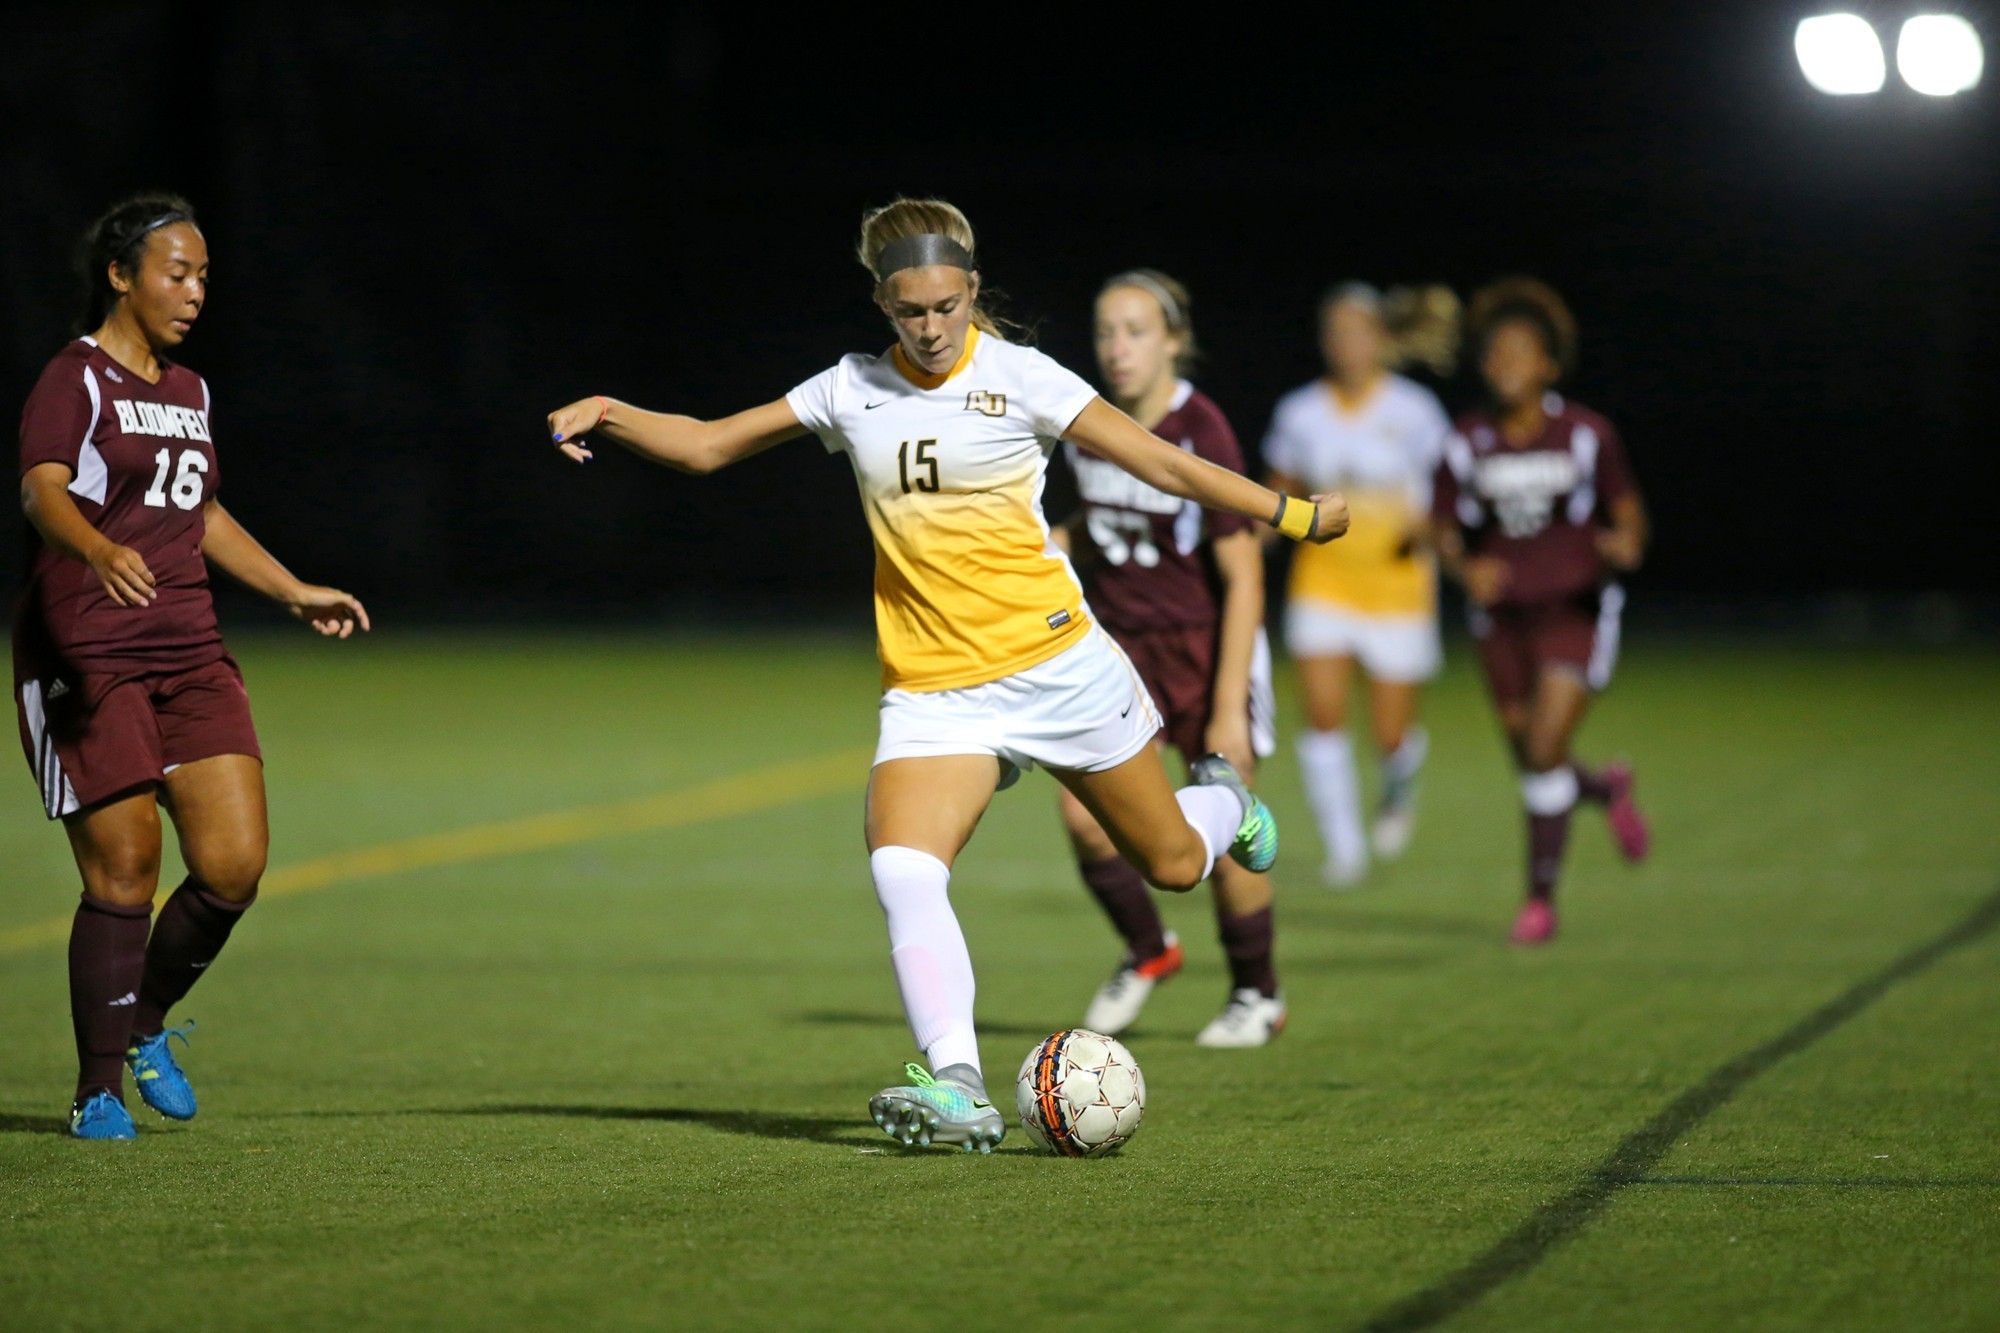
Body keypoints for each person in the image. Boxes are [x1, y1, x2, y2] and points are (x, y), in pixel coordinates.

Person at [546, 199, 1347, 1150]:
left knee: (1175, 863)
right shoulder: (851, 388)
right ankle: (959, 1082)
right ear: (882, 304)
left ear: (972, 290)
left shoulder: (1024, 378)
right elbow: (710, 443)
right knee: (903, 867)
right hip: (935, 691)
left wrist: (1289, 514)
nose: (928, 328)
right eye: (907, 311)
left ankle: (1226, 805)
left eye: (944, 306)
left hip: (1059, 669)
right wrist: (608, 409)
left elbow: (1163, 464)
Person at [16, 194, 370, 1140]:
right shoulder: (75, 378)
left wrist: (292, 588)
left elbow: (200, 513)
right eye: (177, 272)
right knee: (126, 871)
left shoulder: (190, 391)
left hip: (188, 652)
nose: (195, 291)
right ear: (121, 275)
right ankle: (97, 1089)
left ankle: (145, 1022)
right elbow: (42, 489)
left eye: (204, 275)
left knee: (232, 867)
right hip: (86, 656)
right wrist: (94, 550)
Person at [1055, 270, 1284, 1048]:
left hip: (1207, 645)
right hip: (1124, 652)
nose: (1117, 348)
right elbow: (1095, 521)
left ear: (1174, 341)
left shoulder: (1201, 430)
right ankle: (1151, 950)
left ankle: (1258, 992)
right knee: (1084, 818)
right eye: (1106, 331)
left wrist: (1228, 705)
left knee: (1227, 823)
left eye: (1136, 330)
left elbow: (1244, 572)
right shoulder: (1090, 422)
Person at [1429, 277, 1651, 944]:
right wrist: (1467, 568)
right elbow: (1438, 528)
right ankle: (1606, 789)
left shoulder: (1586, 434)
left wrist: (1625, 544)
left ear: (1549, 366)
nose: (1506, 366)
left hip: (1573, 610)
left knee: (1545, 745)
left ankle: (1539, 903)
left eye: (1521, 354)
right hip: (1502, 619)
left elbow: (1629, 511)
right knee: (1533, 756)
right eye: (1496, 355)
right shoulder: (1466, 441)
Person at [1264, 283, 1458, 886]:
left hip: (1399, 589)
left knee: (1392, 733)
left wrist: (1436, 531)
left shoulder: (1416, 410)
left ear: (1380, 338)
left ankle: (1399, 782)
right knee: (1321, 714)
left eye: (1359, 331)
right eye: (1337, 332)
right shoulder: (1300, 412)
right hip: (1323, 584)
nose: (1347, 344)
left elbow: (1447, 489)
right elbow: (1279, 492)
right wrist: (1243, 543)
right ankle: (1343, 848)